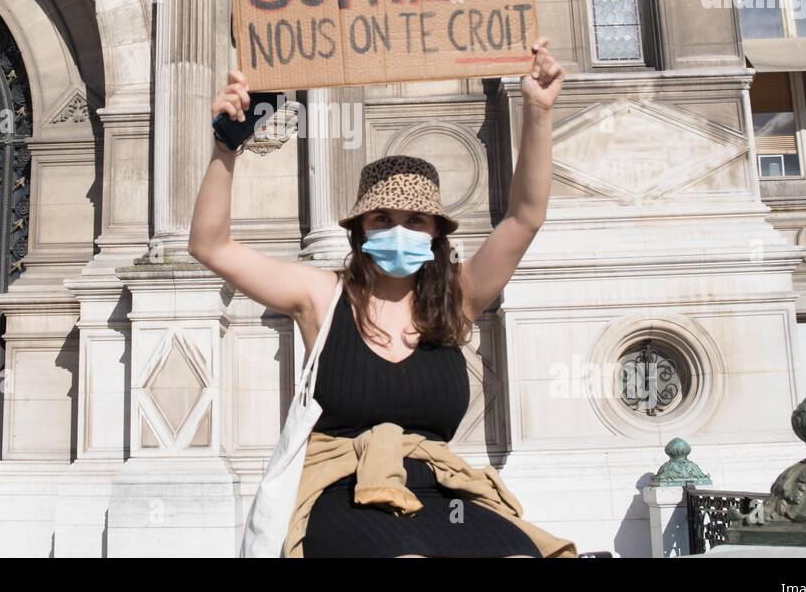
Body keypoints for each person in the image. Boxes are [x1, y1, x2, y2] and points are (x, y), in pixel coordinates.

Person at [189, 39, 566, 557]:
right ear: (360, 230)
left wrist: (539, 111)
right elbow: (210, 245)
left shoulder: (457, 300)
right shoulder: (320, 296)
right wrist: (227, 145)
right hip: (341, 494)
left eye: (415, 220)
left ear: (435, 233)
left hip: (440, 492)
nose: (399, 230)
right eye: (382, 219)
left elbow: (525, 217)